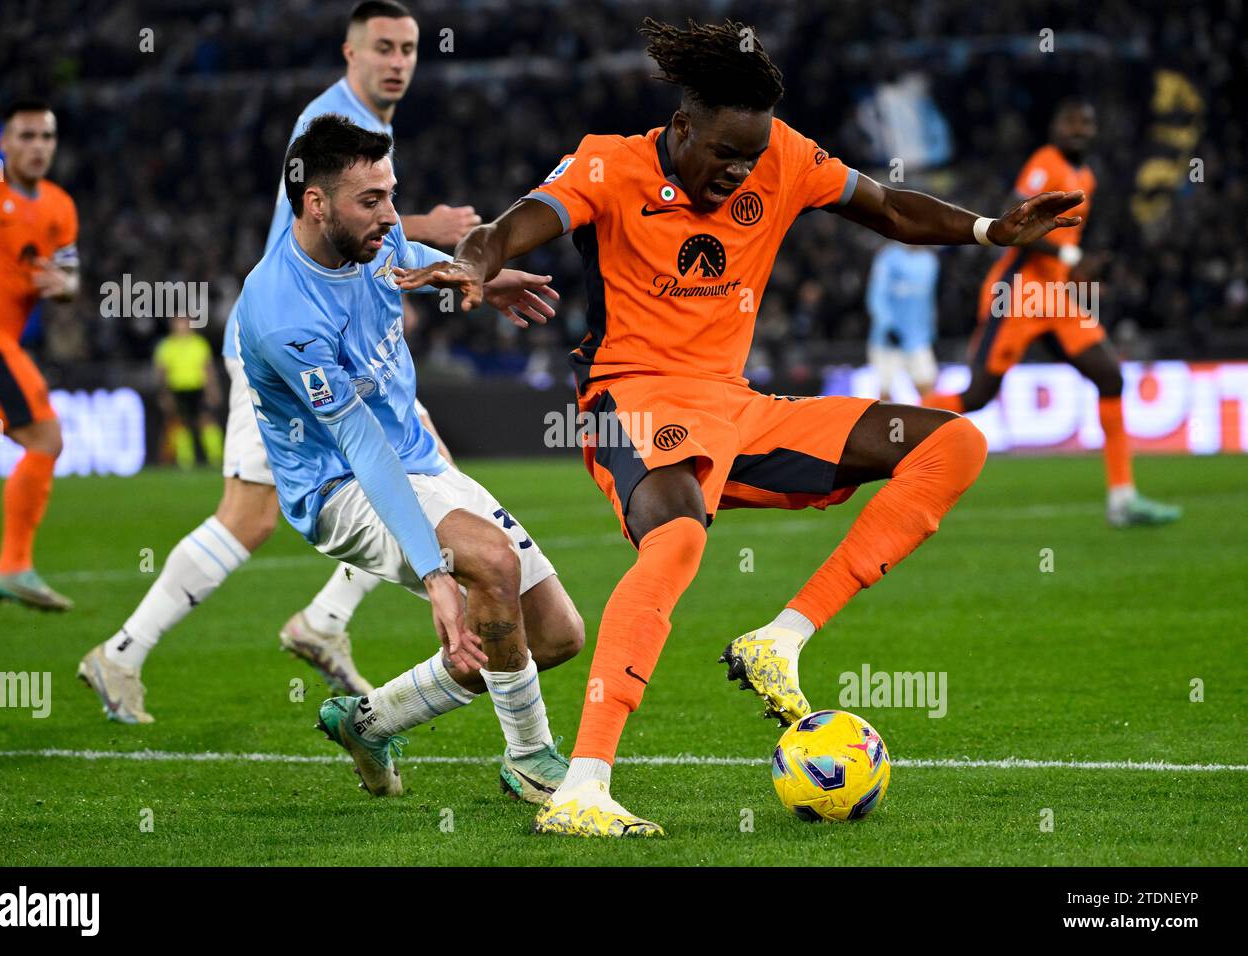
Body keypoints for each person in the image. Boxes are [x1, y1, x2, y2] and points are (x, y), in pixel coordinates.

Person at [399, 18, 1082, 837]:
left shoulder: (783, 154)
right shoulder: (607, 163)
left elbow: (888, 206)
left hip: (738, 409)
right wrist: (477, 260)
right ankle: (584, 785)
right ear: (681, 127)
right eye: (725, 152)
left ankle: (780, 640)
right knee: (680, 539)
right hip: (633, 401)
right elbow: (514, 224)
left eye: (751, 157)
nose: (740, 171)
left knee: (952, 442)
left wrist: (987, 231)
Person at [79, 1, 484, 714]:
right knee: (251, 514)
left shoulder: (368, 128)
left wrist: (403, 277)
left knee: (427, 473)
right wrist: (432, 230)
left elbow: (364, 244)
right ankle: (124, 653)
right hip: (290, 347)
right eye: (383, 48)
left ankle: (322, 623)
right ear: (349, 54)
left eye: (409, 49)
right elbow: (312, 230)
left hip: (334, 341)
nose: (398, 62)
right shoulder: (321, 129)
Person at [234, 115, 581, 800]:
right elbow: (360, 444)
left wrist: (490, 278)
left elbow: (403, 267)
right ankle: (531, 760)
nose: (392, 215)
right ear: (314, 204)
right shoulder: (281, 315)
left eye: (392, 194)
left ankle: (369, 721)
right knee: (490, 565)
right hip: (337, 482)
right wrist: (437, 577)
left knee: (556, 635)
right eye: (372, 201)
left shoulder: (371, 238)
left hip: (418, 459)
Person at [920, 99, 1181, 528]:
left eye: (1087, 122)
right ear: (1055, 127)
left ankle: (1122, 498)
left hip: (1055, 298)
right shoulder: (1045, 162)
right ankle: (898, 434)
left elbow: (1061, 247)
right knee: (977, 396)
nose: (1080, 129)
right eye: (1071, 121)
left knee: (1110, 377)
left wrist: (1078, 266)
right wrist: (1070, 251)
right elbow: (1017, 219)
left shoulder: (1086, 176)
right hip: (1018, 295)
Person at [0, 99, 80, 610]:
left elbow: (70, 274)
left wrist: (64, 286)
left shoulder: (59, 206)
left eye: (46, 137)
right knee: (46, 437)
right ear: (4, 145)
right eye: (26, 136)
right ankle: (13, 566)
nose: (37, 147)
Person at [865, 241, 939, 401]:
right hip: (887, 340)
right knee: (885, 396)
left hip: (918, 338)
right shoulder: (888, 257)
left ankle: (929, 427)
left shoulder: (930, 261)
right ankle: (886, 426)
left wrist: (931, 333)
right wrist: (887, 326)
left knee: (929, 392)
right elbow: (876, 296)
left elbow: (928, 301)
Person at [154, 314, 222, 467]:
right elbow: (162, 372)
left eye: (184, 323)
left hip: (197, 388)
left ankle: (216, 457)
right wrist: (164, 393)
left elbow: (208, 368)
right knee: (180, 424)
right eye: (178, 323)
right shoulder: (167, 346)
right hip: (177, 389)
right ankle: (185, 460)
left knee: (206, 421)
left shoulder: (199, 344)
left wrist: (212, 389)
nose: (182, 326)